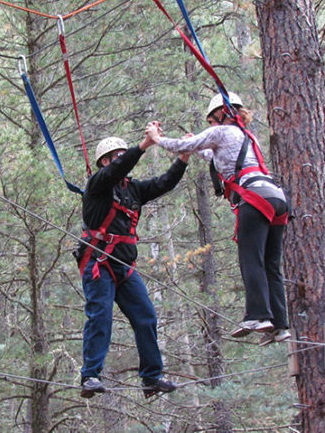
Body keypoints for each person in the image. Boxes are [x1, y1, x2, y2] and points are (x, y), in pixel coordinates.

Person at [145, 92, 291, 347]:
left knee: (251, 259)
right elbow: (218, 159)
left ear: (221, 114)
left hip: (253, 198)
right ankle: (279, 325)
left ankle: (258, 315)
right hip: (276, 198)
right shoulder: (246, 135)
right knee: (271, 264)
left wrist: (157, 139)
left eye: (212, 120)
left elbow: (182, 148)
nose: (210, 125)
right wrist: (196, 143)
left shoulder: (222, 131)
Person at [74, 130, 188, 398]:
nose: (122, 160)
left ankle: (151, 376)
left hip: (124, 268)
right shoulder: (98, 185)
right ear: (105, 162)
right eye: (116, 157)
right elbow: (120, 167)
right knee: (100, 316)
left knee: (146, 316)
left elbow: (164, 183)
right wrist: (145, 144)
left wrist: (183, 157)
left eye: (122, 155)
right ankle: (90, 375)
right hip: (98, 264)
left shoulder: (133, 190)